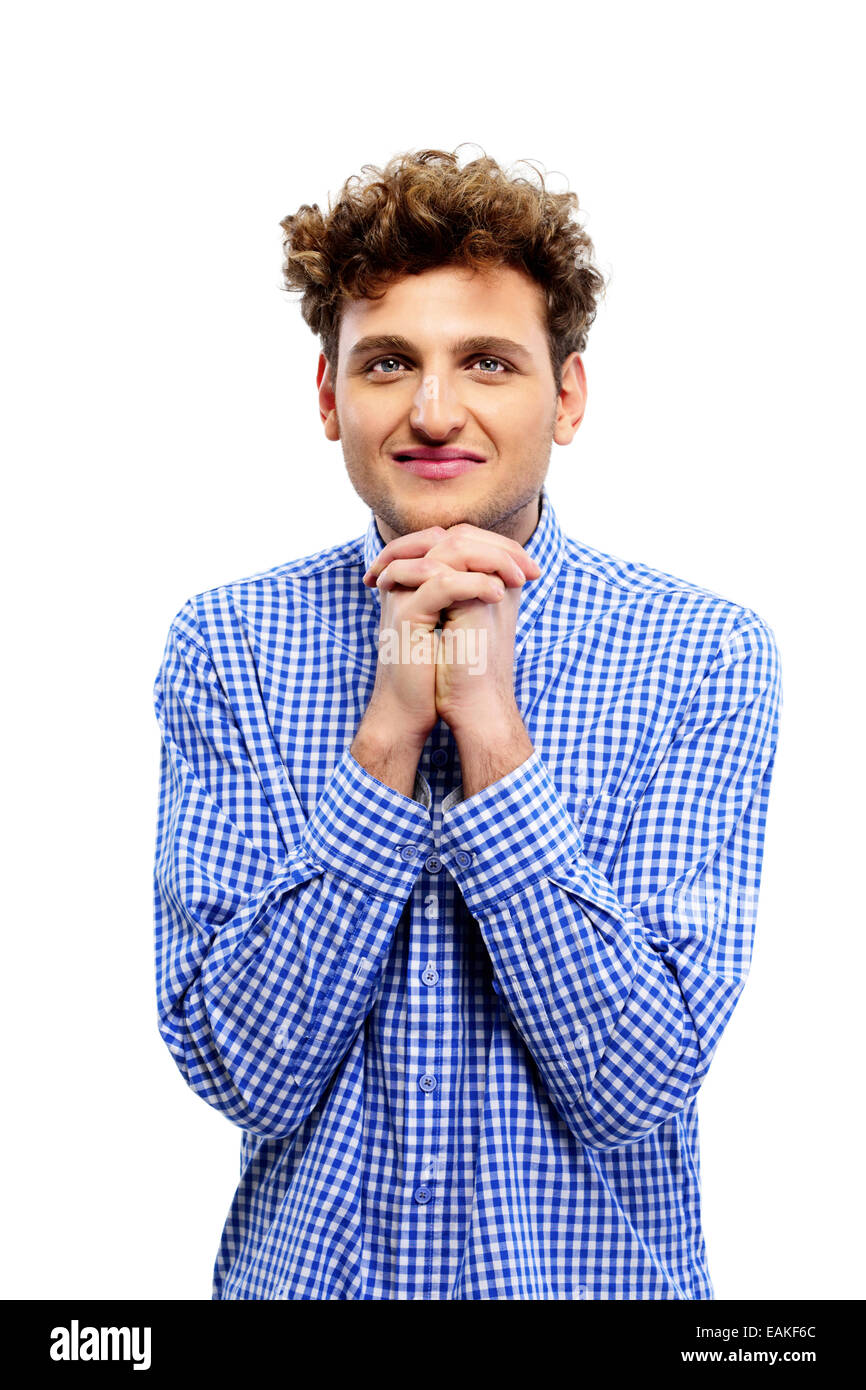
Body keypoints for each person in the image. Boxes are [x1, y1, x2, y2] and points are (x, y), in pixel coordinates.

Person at [152, 147, 782, 1301]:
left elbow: (639, 1081)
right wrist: (387, 738)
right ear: (330, 397)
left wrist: (490, 741)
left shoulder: (704, 653)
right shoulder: (227, 644)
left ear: (567, 396)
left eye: (485, 361)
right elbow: (240, 1066)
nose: (433, 410)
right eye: (389, 362)